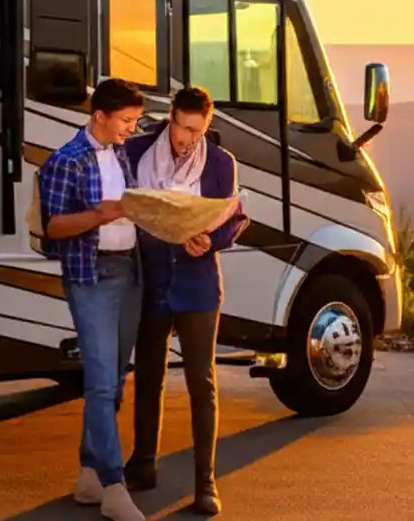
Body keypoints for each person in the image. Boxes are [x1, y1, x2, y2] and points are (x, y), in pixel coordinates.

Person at [121, 86, 249, 516]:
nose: (188, 139)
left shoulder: (220, 163)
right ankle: (142, 465)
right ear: (170, 117)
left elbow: (233, 220)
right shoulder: (137, 150)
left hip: (197, 284)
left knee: (201, 382)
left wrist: (209, 239)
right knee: (150, 376)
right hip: (153, 278)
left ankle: (205, 482)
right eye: (182, 128)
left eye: (198, 131)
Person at [38, 77, 147, 521]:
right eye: (125, 121)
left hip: (130, 271)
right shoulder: (65, 160)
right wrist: (98, 215)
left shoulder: (121, 151)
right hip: (92, 276)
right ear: (98, 116)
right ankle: (113, 484)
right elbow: (53, 228)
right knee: (102, 383)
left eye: (135, 121)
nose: (130, 129)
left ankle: (88, 472)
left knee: (115, 380)